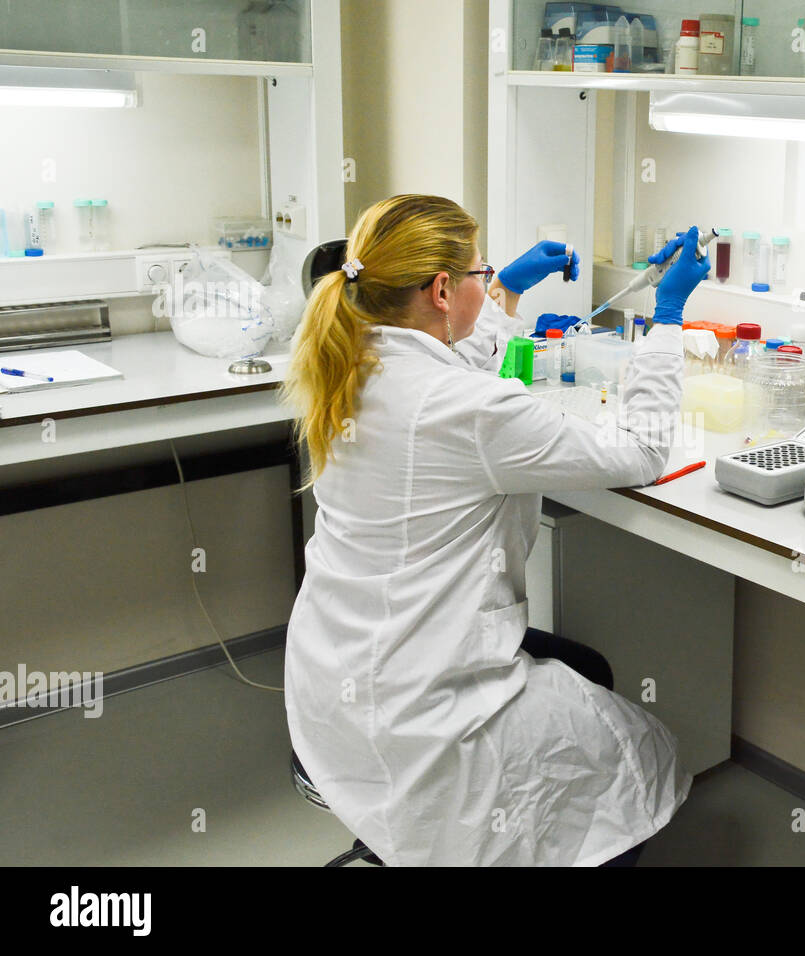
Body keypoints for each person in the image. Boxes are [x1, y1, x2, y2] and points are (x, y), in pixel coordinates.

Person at [280, 194, 710, 866]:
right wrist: (668, 320)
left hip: (334, 672)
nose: (489, 280)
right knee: (638, 760)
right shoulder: (473, 409)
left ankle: (402, 840)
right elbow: (641, 452)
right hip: (422, 702)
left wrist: (504, 289)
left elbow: (449, 361)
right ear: (443, 289)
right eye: (479, 273)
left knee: (587, 669)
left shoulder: (344, 360)